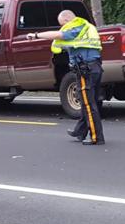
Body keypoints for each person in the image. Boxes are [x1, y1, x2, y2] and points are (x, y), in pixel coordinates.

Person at [27, 10, 104, 145]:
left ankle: (96, 137)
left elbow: (59, 35)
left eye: (62, 24)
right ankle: (80, 130)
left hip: (85, 70)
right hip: (94, 67)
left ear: (68, 20)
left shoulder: (76, 27)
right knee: (91, 102)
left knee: (88, 104)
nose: (62, 27)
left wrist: (36, 35)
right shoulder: (87, 27)